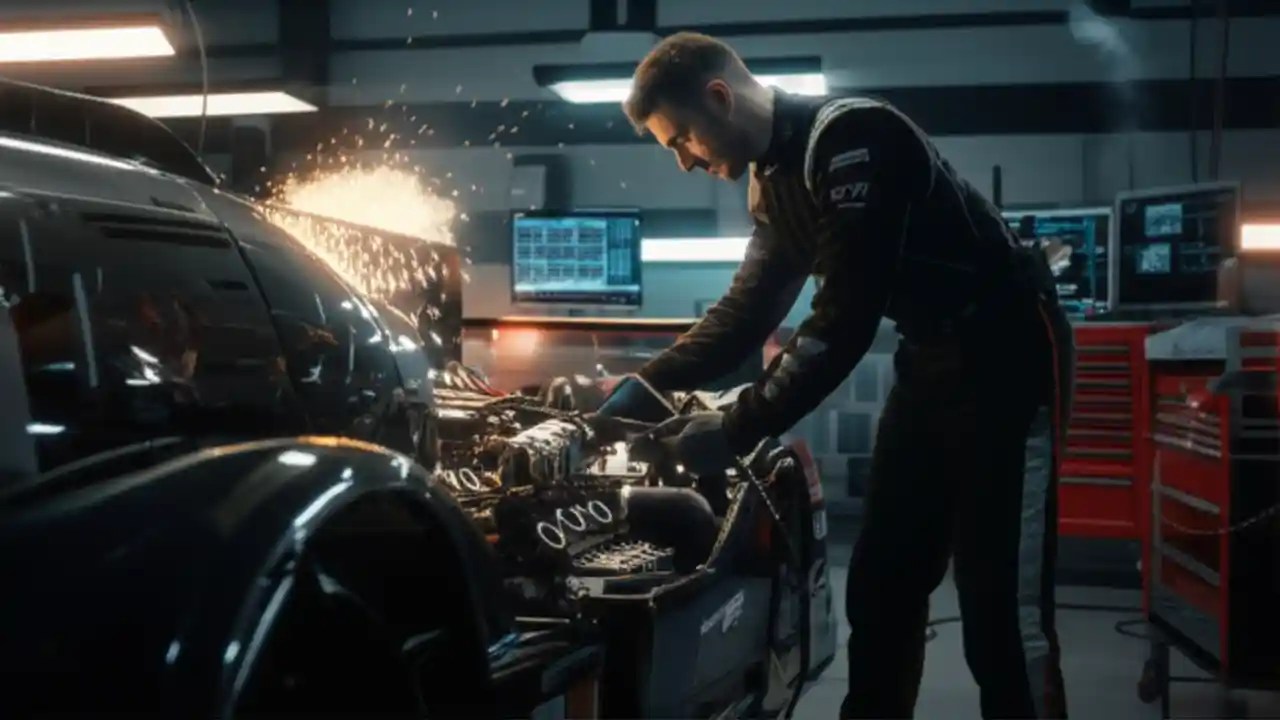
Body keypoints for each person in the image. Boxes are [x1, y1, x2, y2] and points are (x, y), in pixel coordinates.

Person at [599, 32, 1075, 719]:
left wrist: (735, 429)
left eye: (682, 141)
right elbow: (744, 313)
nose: (683, 163)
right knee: (883, 585)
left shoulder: (853, 139)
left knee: (1001, 611)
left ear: (718, 97)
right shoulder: (772, 184)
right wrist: (642, 389)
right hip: (931, 361)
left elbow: (842, 320)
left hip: (1011, 353)